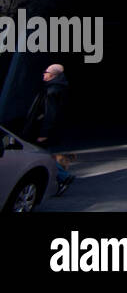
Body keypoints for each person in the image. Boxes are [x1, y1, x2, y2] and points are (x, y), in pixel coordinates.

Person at [23, 62, 74, 194]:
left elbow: (50, 114)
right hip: (51, 130)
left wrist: (44, 133)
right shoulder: (59, 88)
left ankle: (63, 177)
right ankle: (61, 177)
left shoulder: (51, 91)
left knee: (41, 155)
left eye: (46, 72)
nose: (44, 74)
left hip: (44, 130)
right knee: (45, 155)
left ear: (52, 75)